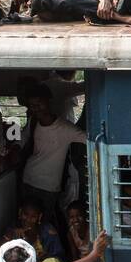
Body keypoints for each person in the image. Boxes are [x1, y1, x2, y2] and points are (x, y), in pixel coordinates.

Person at [20, 83, 87, 220]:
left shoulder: (66, 128)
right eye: (33, 105)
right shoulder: (33, 122)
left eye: (40, 103)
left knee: (43, 223)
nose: (37, 108)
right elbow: (22, 139)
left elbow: (90, 139)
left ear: (48, 101)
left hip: (49, 187)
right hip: (28, 180)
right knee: (26, 222)